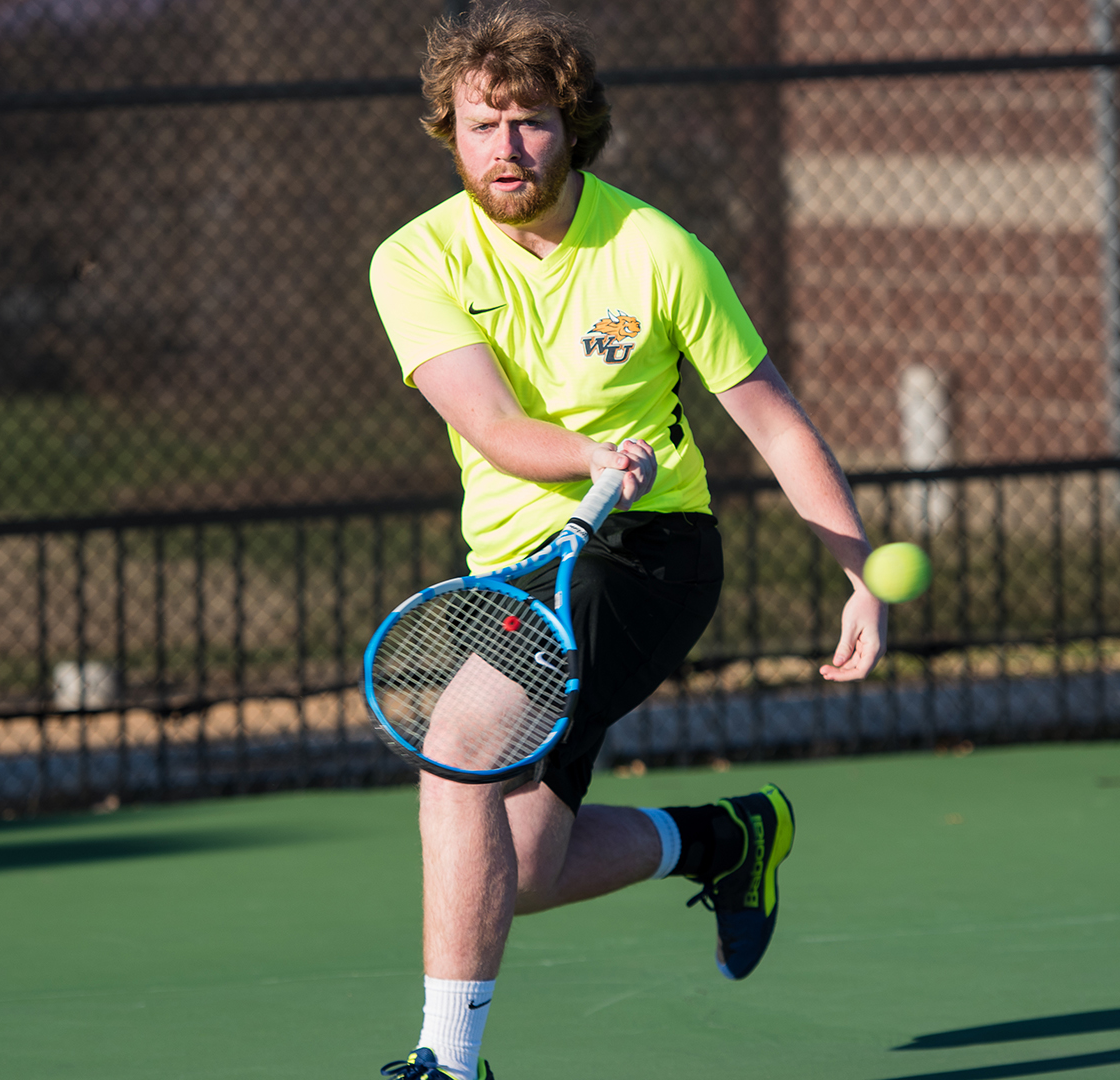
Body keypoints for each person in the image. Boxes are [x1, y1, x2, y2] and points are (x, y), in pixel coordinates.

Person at [367, 5, 886, 1078]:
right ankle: (720, 841)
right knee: (515, 868)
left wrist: (859, 575)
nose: (506, 149)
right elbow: (495, 428)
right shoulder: (413, 260)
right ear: (449, 133)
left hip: (648, 555)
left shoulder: (657, 251)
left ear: (573, 128)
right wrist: (591, 452)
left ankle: (447, 1065)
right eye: (481, 125)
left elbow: (774, 419)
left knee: (458, 749)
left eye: (531, 124)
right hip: (519, 568)